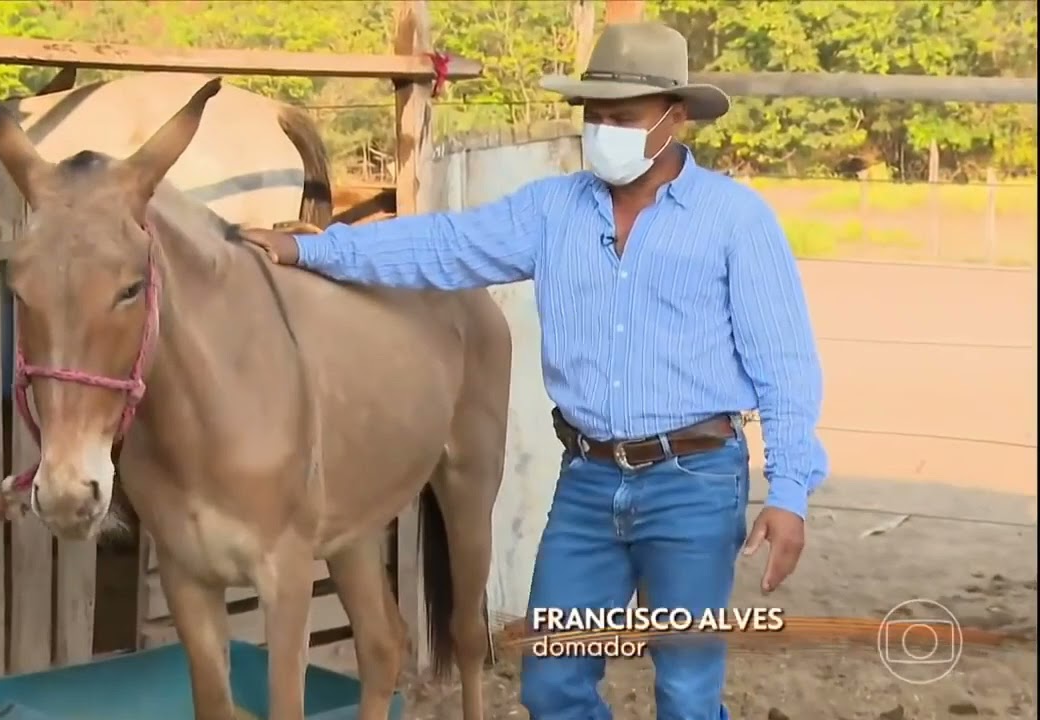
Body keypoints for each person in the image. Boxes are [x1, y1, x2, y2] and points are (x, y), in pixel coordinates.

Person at [242, 20, 827, 720]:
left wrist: (789, 492)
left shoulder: (735, 221)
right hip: (589, 480)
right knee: (551, 684)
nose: (604, 131)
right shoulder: (552, 211)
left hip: (693, 481)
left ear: (674, 118)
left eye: (624, 117)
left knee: (685, 691)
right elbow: (442, 245)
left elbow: (785, 365)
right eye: (595, 115)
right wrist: (309, 251)